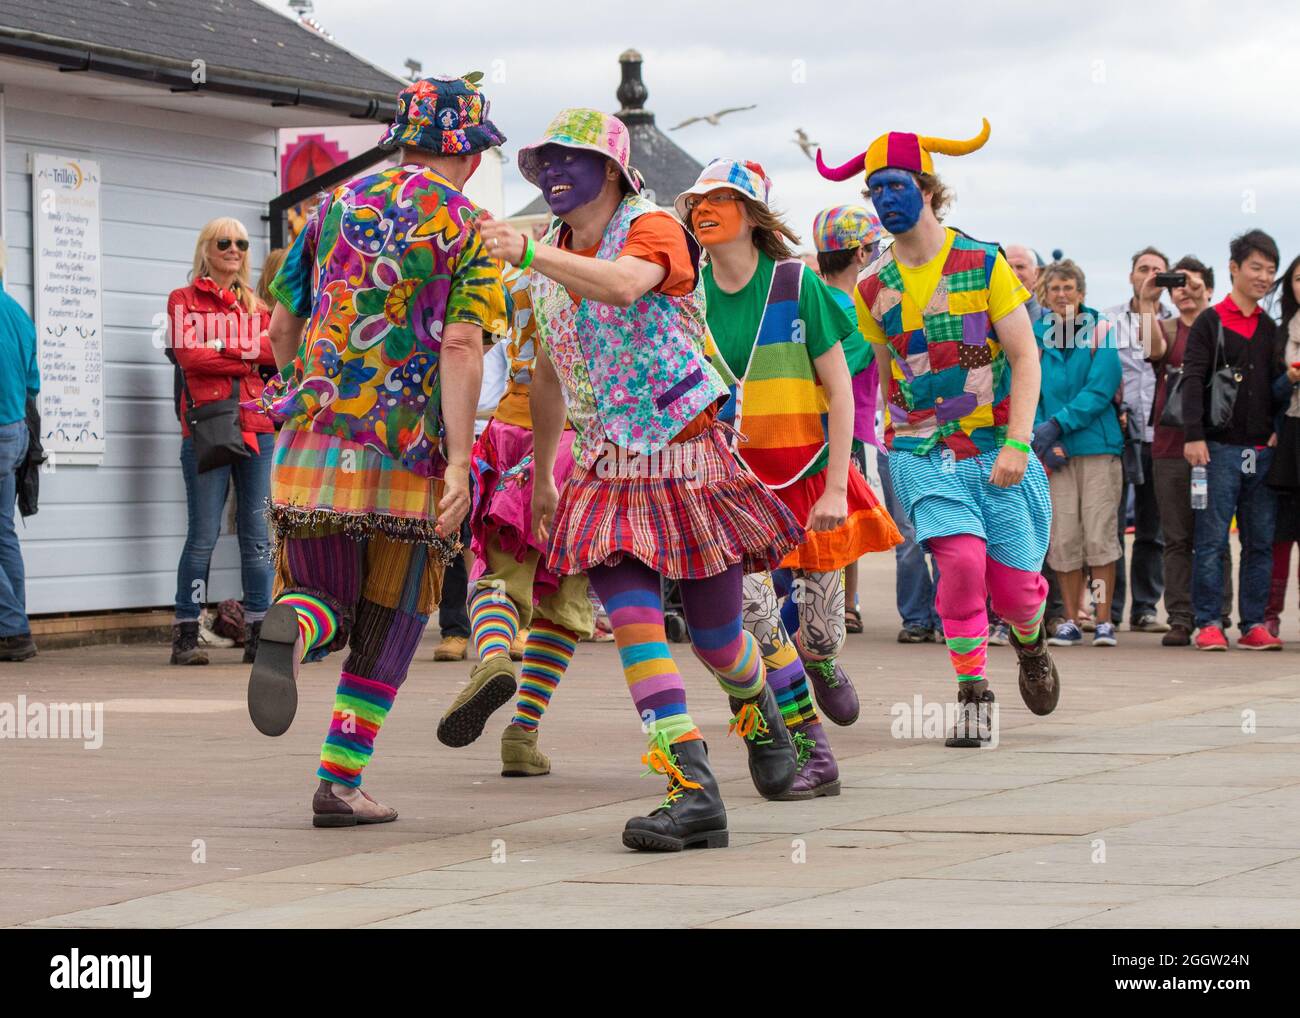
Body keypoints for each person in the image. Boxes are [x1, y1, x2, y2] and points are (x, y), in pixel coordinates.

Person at [479, 108, 806, 849]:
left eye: (573, 161)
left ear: (614, 170)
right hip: (606, 469)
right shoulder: (554, 258)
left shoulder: (651, 227)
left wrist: (526, 254)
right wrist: (542, 479)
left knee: (720, 639)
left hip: (686, 456)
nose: (555, 175)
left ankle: (761, 709)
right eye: (545, 164)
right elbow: (548, 373)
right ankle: (691, 789)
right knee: (633, 624)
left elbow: (625, 287)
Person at [248, 75, 507, 826]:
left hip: (317, 435)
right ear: (465, 152)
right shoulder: (469, 227)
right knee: (393, 612)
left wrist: (301, 383)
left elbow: (283, 322)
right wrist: (459, 460)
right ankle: (338, 782)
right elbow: (461, 343)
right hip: (409, 447)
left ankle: (290, 629)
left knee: (322, 593)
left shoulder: (331, 209)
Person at [819, 118, 1060, 747]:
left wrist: (1016, 441)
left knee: (1013, 591)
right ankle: (973, 692)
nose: (886, 199)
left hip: (991, 446)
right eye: (875, 191)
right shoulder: (873, 286)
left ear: (927, 189)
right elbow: (873, 371)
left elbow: (1026, 356)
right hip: (922, 450)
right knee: (957, 563)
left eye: (896, 185)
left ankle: (1031, 643)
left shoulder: (983, 264)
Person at [678, 167, 901, 796]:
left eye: (722, 200)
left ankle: (821, 659)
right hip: (731, 482)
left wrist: (837, 487)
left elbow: (839, 392)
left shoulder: (796, 282)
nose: (704, 210)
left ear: (752, 214)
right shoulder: (685, 293)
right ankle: (803, 747)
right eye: (697, 202)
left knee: (821, 629)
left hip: (808, 475)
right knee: (748, 617)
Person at [437, 262, 596, 776]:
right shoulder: (607, 270)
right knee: (565, 599)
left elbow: (479, 357)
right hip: (578, 438)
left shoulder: (515, 278)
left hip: (509, 431)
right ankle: (521, 735)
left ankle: (493, 658)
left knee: (499, 575)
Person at [167, 217, 277, 666]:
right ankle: (185, 633)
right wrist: (246, 354)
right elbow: (189, 356)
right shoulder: (182, 299)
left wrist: (224, 347)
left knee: (257, 535)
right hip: (207, 427)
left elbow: (277, 353)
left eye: (241, 242)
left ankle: (258, 633)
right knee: (203, 535)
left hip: (258, 427)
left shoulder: (255, 303)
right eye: (224, 241)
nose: (234, 249)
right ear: (206, 248)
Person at [1182, 229, 1285, 651]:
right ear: (1234, 269)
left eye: (1271, 270)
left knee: (1260, 541)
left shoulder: (1270, 327)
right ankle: (1208, 622)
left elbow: (1278, 385)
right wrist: (1193, 436)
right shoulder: (1211, 321)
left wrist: (1278, 425)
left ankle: (1253, 624)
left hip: (1261, 450)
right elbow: (1191, 379)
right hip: (1217, 449)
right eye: (1256, 267)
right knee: (1211, 540)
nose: (1263, 277)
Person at [1032, 260, 1124, 648]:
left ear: (1081, 293)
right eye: (1055, 289)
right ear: (1045, 295)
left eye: (1069, 288)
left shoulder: (1102, 331)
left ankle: (1102, 620)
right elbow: (1026, 385)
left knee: (1099, 538)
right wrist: (1041, 435)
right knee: (1064, 538)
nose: (1063, 295)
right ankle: (1071, 619)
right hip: (1055, 453)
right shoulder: (1034, 335)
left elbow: (1101, 389)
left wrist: (1059, 424)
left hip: (1097, 448)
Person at [1147, 256, 1233, 645]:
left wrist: (1206, 305)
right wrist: (1148, 301)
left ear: (1210, 288)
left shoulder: (1221, 325)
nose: (1184, 289)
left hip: (1217, 442)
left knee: (1214, 535)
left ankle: (1217, 614)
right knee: (1177, 536)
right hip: (1169, 444)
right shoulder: (1165, 327)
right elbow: (1152, 351)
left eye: (1193, 282)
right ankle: (1181, 616)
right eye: (1177, 283)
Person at [811, 204, 888, 637]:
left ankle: (834, 602)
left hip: (799, 430)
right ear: (861, 255)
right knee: (844, 520)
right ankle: (841, 604)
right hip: (848, 431)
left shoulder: (808, 300)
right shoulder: (858, 311)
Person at [1104, 247, 1171, 633]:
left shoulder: (1175, 323)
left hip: (1160, 438)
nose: (1149, 275)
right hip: (1118, 437)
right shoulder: (1106, 321)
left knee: (1152, 529)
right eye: (1143, 269)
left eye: (1158, 271)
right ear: (1130, 275)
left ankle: (1145, 608)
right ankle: (1108, 610)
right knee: (1111, 528)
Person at [0, 237, 39, 661]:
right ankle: (14, 631)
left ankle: (12, 626)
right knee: (3, 533)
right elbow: (32, 383)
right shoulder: (16, 311)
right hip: (14, 432)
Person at [1264, 252, 1300, 635]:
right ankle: (1270, 615)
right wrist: (1288, 379)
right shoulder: (1280, 332)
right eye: (1298, 278)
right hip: (1289, 434)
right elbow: (1268, 395)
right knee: (1281, 533)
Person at [1006, 244, 1047, 324]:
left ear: (1036, 273)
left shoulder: (1053, 321)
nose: (1014, 274)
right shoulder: (986, 318)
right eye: (1008, 268)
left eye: (1020, 267)